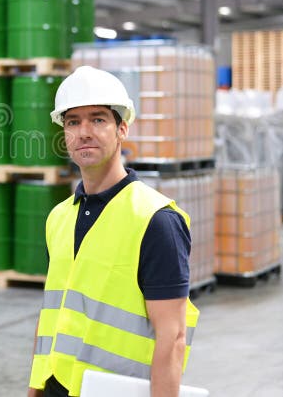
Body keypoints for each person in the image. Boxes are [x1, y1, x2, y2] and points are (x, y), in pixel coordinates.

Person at [28, 66, 200, 397]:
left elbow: (173, 337)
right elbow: (52, 316)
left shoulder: (156, 220)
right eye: (73, 122)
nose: (84, 132)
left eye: (98, 119)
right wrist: (35, 388)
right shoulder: (59, 217)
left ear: (122, 129)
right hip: (57, 387)